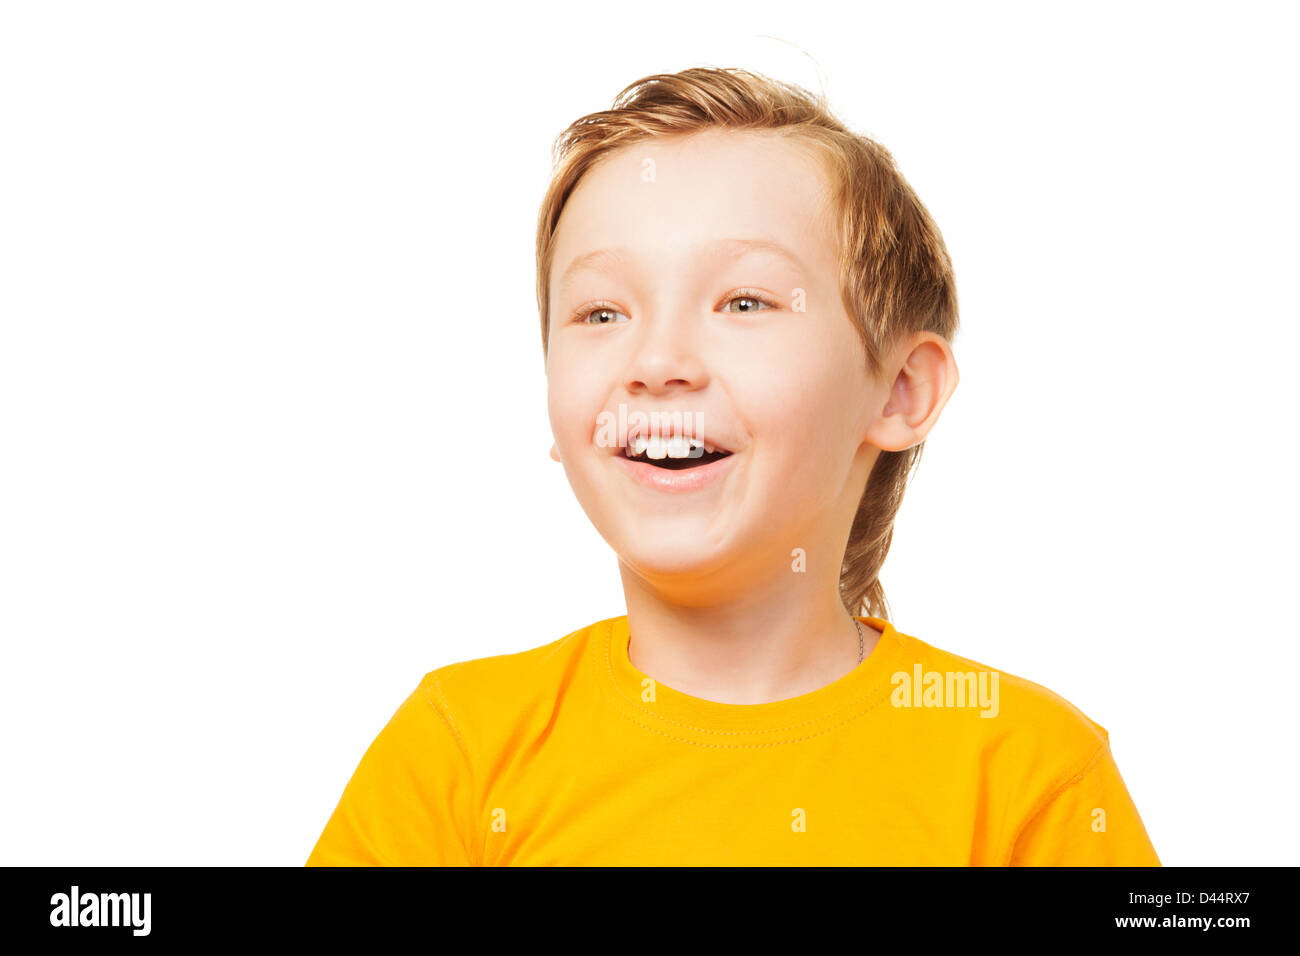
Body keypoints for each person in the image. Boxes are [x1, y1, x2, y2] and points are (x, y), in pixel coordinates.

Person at [306, 66, 1159, 866]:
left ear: (899, 391)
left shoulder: (1027, 776)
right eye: (601, 312)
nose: (656, 359)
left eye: (744, 302)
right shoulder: (458, 750)